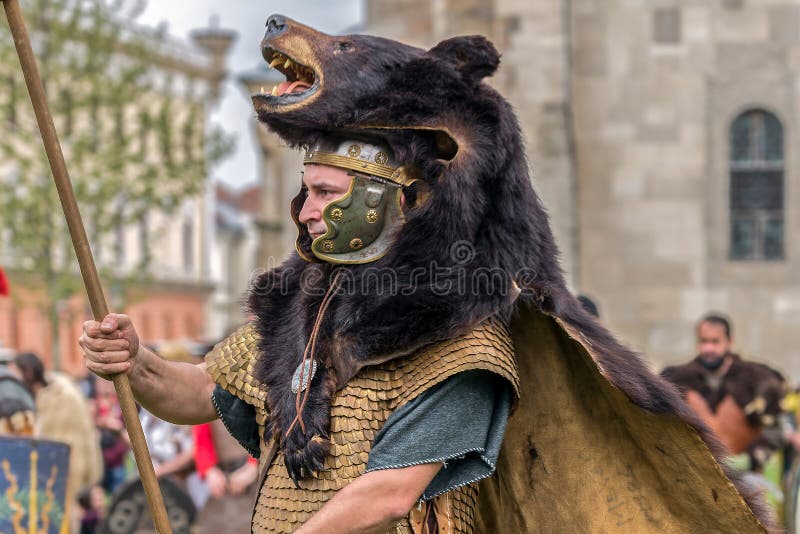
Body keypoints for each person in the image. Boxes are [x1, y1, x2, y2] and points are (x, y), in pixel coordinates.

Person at [81, 15, 773, 533]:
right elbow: (196, 393)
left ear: (394, 200)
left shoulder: (464, 344)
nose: (306, 211)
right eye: (306, 191)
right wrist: (136, 359)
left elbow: (389, 493)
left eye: (327, 194)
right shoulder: (304, 316)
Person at [661, 313, 786, 469]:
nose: (708, 348)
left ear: (729, 341)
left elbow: (776, 431)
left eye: (715, 341)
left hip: (745, 475)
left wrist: (750, 460)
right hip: (693, 471)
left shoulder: (757, 379)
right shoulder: (678, 379)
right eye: (703, 341)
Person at [11, 352, 104, 525]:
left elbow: (69, 445)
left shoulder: (62, 396)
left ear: (29, 372)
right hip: (45, 476)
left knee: (62, 517)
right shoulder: (40, 396)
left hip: (63, 473)